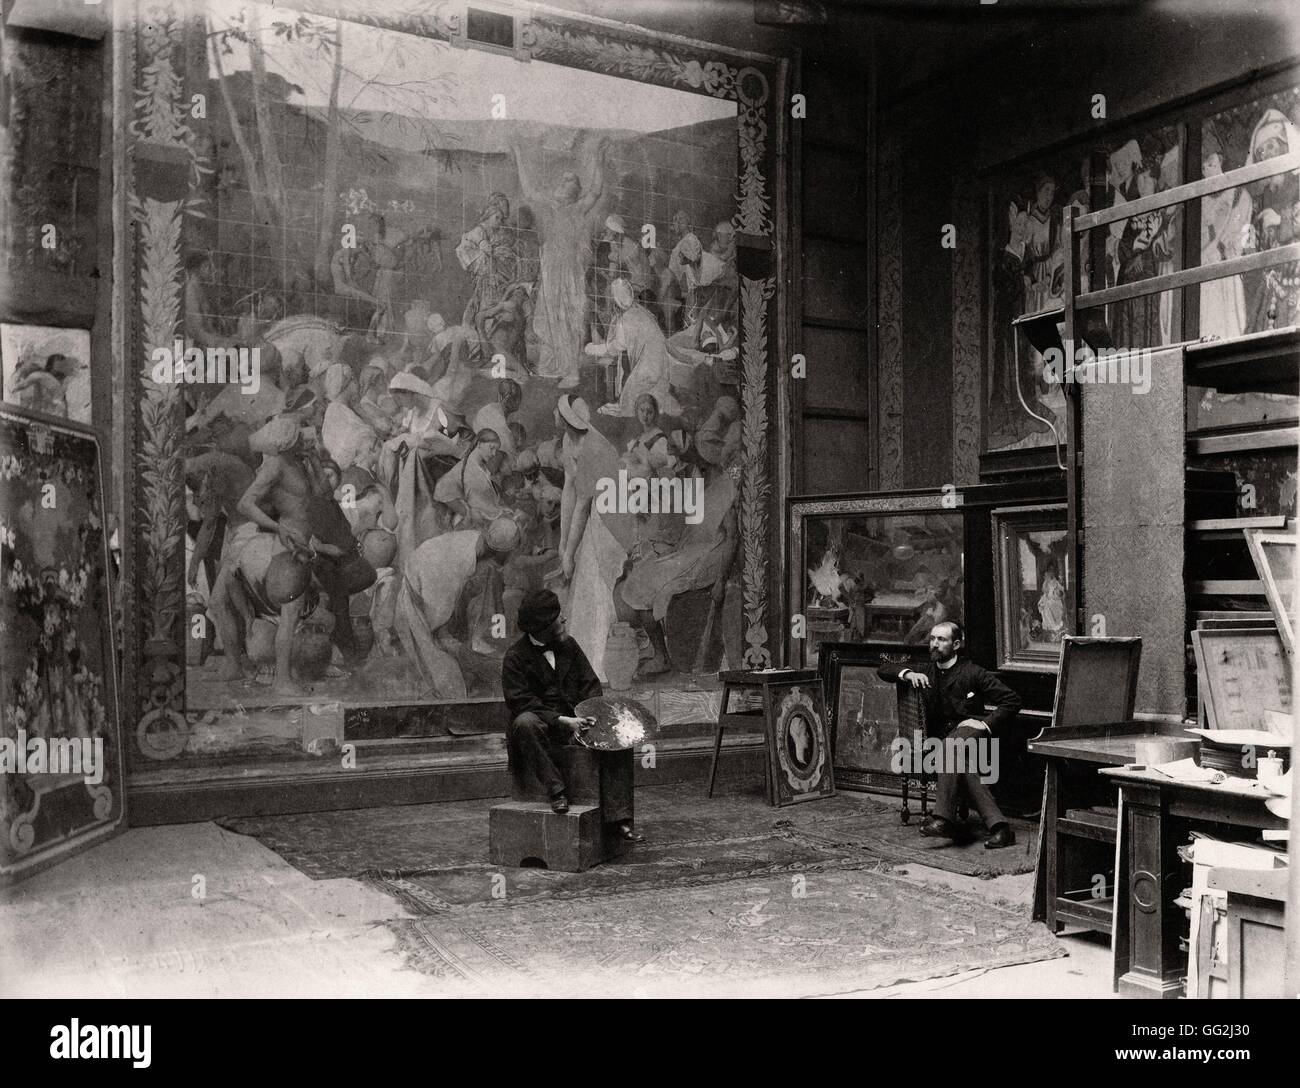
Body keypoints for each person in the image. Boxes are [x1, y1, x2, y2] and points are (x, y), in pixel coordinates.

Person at [501, 589, 644, 842]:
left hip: (580, 722)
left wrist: (589, 715)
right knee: (524, 723)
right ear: (543, 625)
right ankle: (557, 791)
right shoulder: (515, 657)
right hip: (545, 728)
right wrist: (563, 722)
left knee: (620, 731)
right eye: (559, 616)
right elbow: (521, 702)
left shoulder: (570, 646)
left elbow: (591, 685)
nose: (564, 619)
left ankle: (619, 818)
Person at [877, 621, 1021, 849]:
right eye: (932, 639)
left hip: (970, 733)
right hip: (943, 742)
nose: (934, 644)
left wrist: (985, 725)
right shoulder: (926, 671)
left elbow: (1011, 700)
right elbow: (883, 668)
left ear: (956, 644)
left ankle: (943, 819)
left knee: (951, 746)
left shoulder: (973, 672)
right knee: (955, 758)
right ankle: (1000, 827)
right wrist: (907, 674)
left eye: (941, 640)